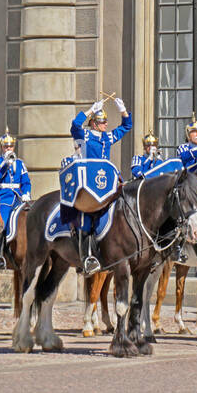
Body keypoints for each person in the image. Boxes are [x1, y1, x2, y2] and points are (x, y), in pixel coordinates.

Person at [68, 98, 132, 274]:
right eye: (102, 122)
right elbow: (75, 126)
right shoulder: (86, 135)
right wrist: (90, 110)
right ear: (94, 124)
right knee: (87, 215)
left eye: (106, 121)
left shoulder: (107, 137)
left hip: (107, 181)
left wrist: (123, 111)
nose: (105, 124)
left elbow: (126, 127)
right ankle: (87, 256)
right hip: (90, 181)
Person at [0, 130, 31, 249]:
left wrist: (26, 192)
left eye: (11, 146)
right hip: (3, 196)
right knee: (2, 221)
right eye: (6, 146)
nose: (9, 149)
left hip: (18, 196)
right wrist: (5, 164)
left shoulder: (20, 163)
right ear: (1, 147)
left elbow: (26, 181)